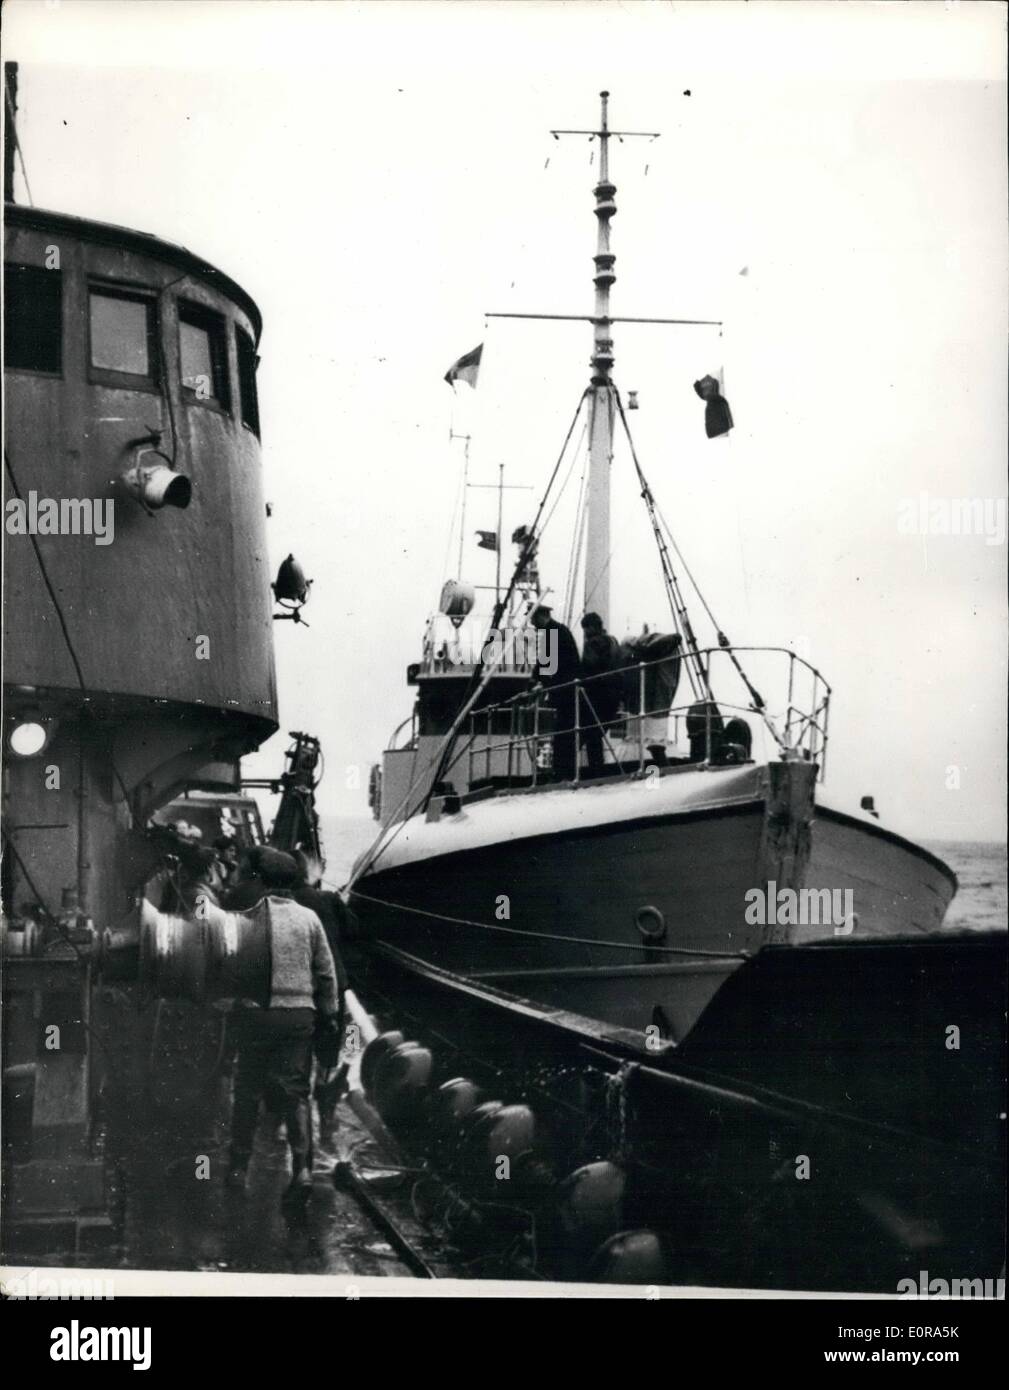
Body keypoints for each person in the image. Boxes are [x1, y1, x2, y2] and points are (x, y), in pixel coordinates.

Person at [225, 847, 342, 1206]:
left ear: (261, 880)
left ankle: (238, 1169)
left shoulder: (248, 917)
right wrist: (329, 1013)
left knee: (247, 1090)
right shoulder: (309, 919)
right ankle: (302, 1170)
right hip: (298, 1018)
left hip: (257, 1016)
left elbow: (231, 963)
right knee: (296, 1093)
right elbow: (326, 972)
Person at [529, 602, 580, 781]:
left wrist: (536, 681)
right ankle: (564, 772)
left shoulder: (553, 631)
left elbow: (546, 663)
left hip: (565, 690)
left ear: (541, 616)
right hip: (566, 688)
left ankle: (562, 773)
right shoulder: (557, 630)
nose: (532, 624)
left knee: (563, 732)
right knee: (564, 732)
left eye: (533, 619)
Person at [579, 612, 622, 773]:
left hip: (597, 694)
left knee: (589, 734)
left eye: (585, 629)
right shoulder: (613, 641)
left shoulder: (592, 643)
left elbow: (589, 666)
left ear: (590, 627)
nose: (584, 633)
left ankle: (593, 771)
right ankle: (598, 770)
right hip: (613, 695)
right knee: (596, 734)